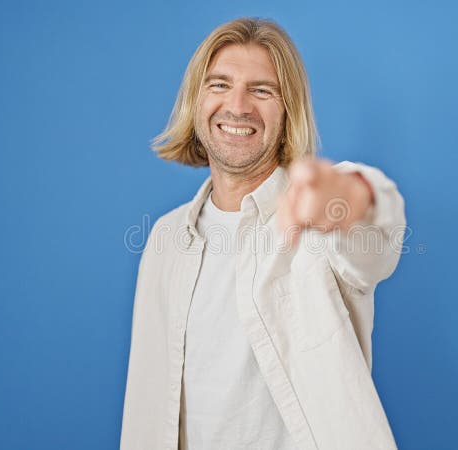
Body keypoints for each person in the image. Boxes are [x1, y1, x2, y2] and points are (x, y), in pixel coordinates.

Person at [120, 17, 406, 450]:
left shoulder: (315, 219)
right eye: (219, 85)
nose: (238, 106)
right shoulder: (164, 239)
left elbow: (377, 236)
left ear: (288, 108)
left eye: (261, 90)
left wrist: (349, 195)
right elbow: (146, 406)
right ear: (196, 103)